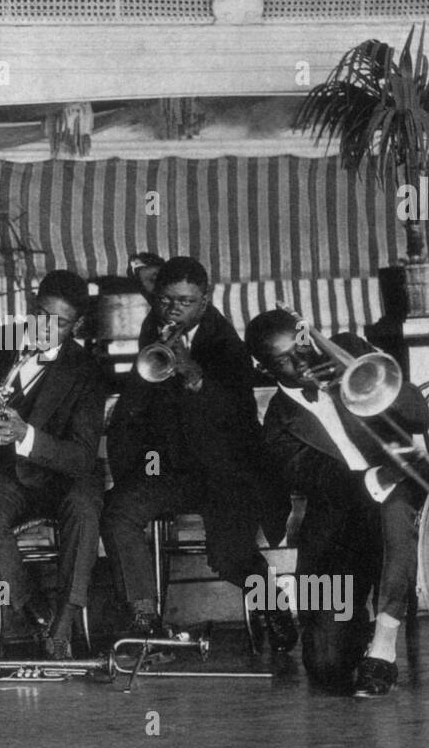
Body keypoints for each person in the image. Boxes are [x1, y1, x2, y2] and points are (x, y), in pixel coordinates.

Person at [102, 257, 291, 650]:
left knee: (229, 556)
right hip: (170, 469)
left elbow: (237, 418)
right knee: (119, 512)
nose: (173, 310)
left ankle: (272, 603)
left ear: (205, 300)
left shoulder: (228, 344)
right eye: (166, 300)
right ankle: (145, 619)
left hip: (226, 470)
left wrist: (193, 374)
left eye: (185, 302)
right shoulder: (153, 328)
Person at [246, 308, 429, 697]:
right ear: (264, 369)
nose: (302, 361)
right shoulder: (276, 425)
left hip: (402, 499)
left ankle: (383, 646)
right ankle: (360, 628)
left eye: (302, 347)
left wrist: (354, 374)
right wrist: (375, 477)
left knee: (396, 508)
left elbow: (419, 416)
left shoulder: (349, 350)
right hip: (339, 531)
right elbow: (323, 483)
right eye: (284, 360)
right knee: (326, 665)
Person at [0, 271, 106, 659]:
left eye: (60, 323)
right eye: (40, 315)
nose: (45, 329)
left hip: (65, 478)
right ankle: (35, 609)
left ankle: (63, 624)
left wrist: (25, 435)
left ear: (77, 326)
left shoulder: (87, 369)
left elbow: (82, 456)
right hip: (5, 475)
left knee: (85, 510)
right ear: (31, 307)